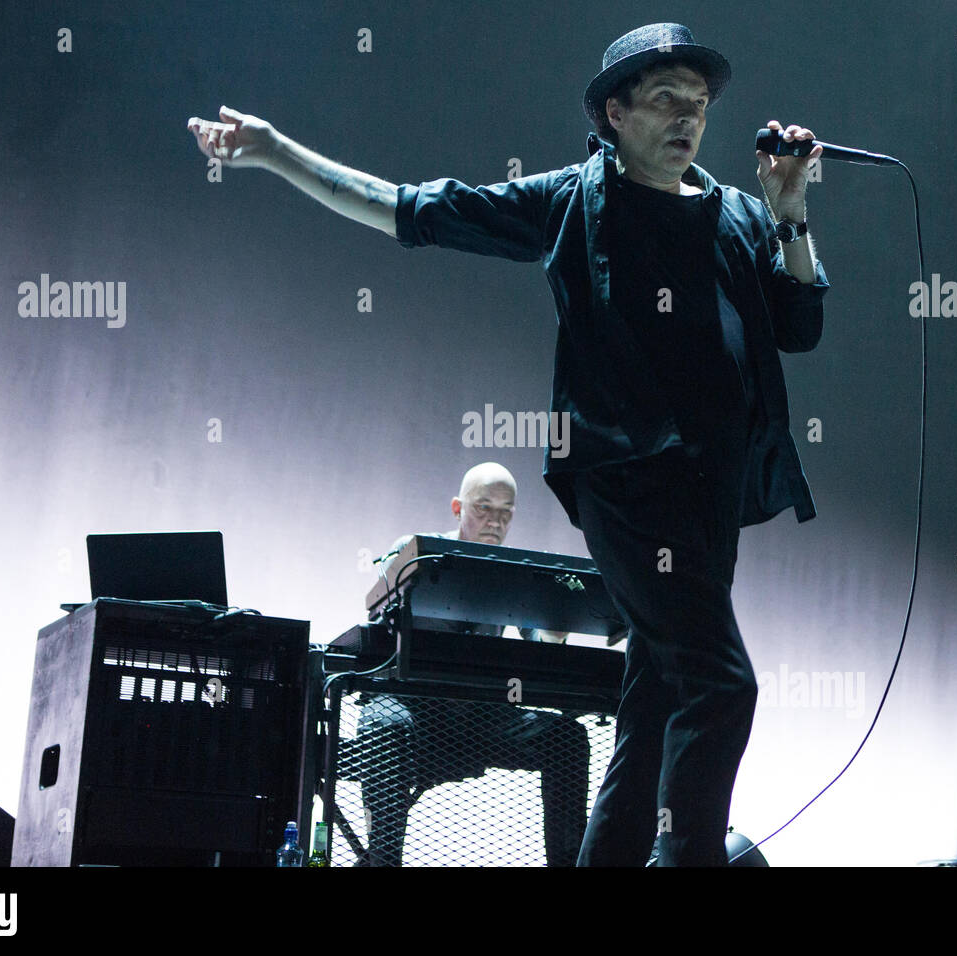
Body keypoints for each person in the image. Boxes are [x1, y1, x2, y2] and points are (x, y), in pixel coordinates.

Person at [188, 21, 829, 866]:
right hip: (628, 485)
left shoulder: (736, 215)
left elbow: (800, 325)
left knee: (654, 701)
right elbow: (407, 209)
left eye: (700, 106)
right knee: (720, 683)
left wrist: (790, 214)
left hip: (713, 491)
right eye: (667, 101)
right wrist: (276, 153)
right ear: (614, 112)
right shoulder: (569, 203)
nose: (688, 120)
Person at [356, 462, 589, 867]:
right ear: (457, 508)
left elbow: (543, 646)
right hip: (414, 709)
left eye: (506, 511)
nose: (495, 521)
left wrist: (557, 626)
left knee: (567, 738)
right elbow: (378, 608)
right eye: (484, 507)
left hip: (481, 717)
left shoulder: (516, 574)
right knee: (383, 723)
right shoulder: (416, 552)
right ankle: (383, 861)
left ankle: (570, 863)